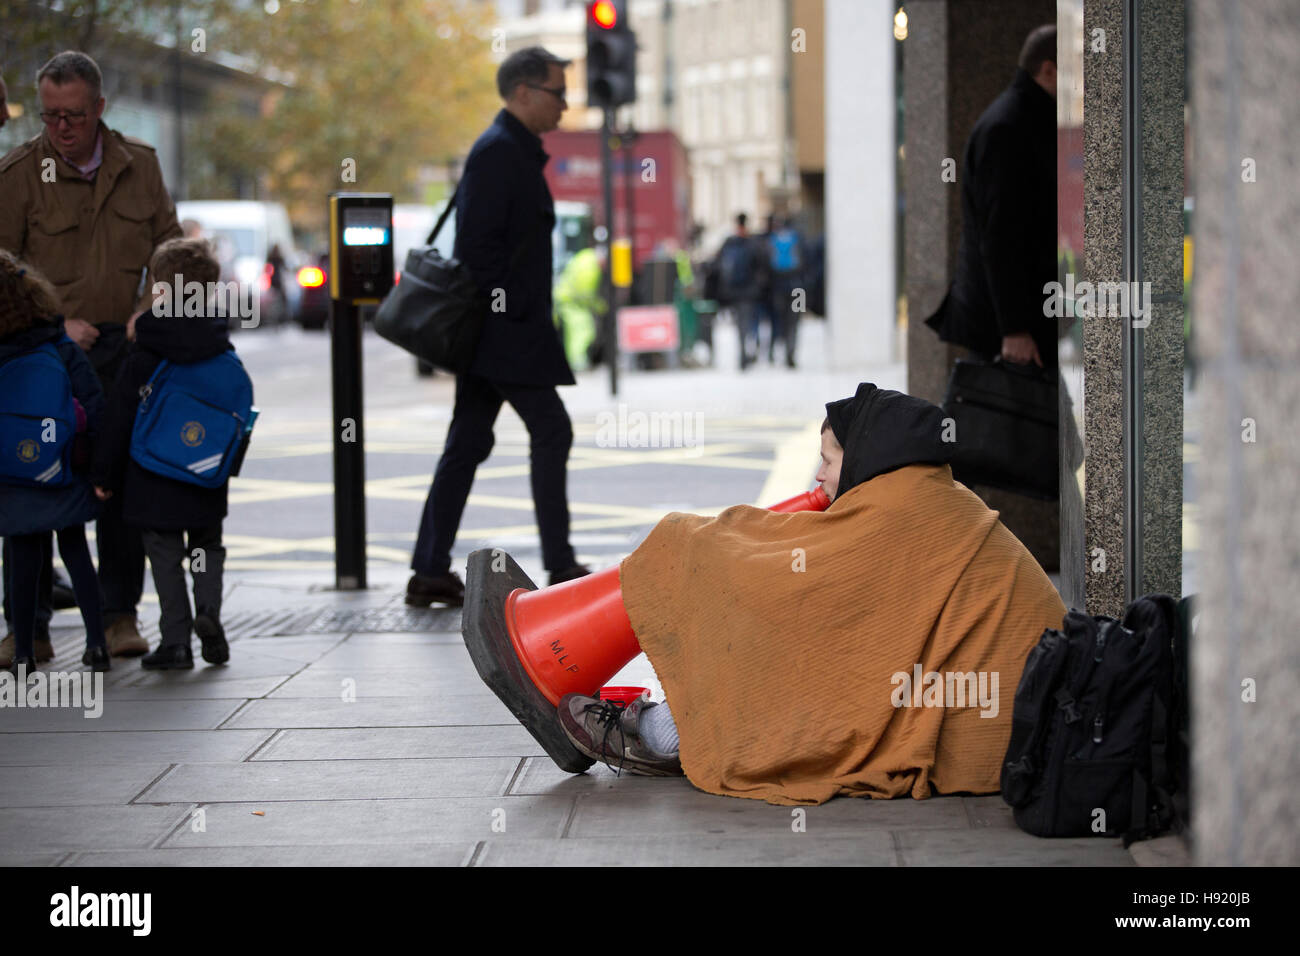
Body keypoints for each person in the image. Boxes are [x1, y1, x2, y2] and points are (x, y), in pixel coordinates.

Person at [547, 383, 1067, 804]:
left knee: (785, 624)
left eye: (828, 460)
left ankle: (670, 736)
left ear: (865, 457)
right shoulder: (925, 490)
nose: (818, 476)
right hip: (1023, 717)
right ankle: (678, 724)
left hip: (998, 732)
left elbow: (801, 596)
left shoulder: (898, 509)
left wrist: (700, 547)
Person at [0, 51, 182, 659]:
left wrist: (146, 308)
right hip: (44, 357)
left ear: (99, 108)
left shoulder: (142, 167)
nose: (62, 129)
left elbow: (170, 251)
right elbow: (2, 273)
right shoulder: (19, 174)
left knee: (117, 488)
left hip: (124, 351)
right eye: (51, 117)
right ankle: (29, 630)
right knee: (30, 481)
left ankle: (119, 618)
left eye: (73, 115)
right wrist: (52, 321)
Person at [406, 46, 589, 607]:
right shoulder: (498, 153)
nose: (564, 105)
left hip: (501, 332)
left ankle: (429, 569)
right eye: (558, 93)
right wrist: (509, 324)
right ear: (524, 93)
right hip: (503, 332)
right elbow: (478, 249)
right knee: (551, 430)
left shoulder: (513, 149)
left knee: (466, 442)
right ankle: (559, 563)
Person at [92, 238, 235, 670]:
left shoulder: (145, 351)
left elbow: (120, 415)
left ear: (157, 290)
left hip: (153, 474)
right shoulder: (219, 345)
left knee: (165, 553)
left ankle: (176, 642)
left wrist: (104, 474)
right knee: (206, 546)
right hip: (205, 470)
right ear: (207, 290)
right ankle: (209, 611)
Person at [0, 252, 110, 675]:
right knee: (76, 550)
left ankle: (24, 652)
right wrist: (99, 467)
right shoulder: (58, 343)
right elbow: (93, 402)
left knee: (23, 556)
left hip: (14, 471)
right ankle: (96, 643)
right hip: (63, 463)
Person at [924, 24, 1058, 370]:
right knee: (1009, 419)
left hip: (1014, 319)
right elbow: (1000, 236)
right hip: (1008, 329)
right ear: (1049, 69)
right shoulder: (1009, 127)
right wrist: (1014, 328)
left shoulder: (1020, 118)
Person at [710, 213, 764, 370]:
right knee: (747, 323)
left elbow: (717, 266)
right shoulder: (753, 243)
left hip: (732, 291)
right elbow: (761, 265)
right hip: (749, 292)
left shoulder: (729, 243)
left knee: (741, 324)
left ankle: (743, 353)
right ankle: (746, 353)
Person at [766, 214, 806, 368]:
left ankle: (780, 350)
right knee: (795, 321)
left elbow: (768, 264)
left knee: (781, 321)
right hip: (798, 288)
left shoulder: (773, 240)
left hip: (779, 287)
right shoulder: (799, 239)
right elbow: (806, 264)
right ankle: (791, 351)